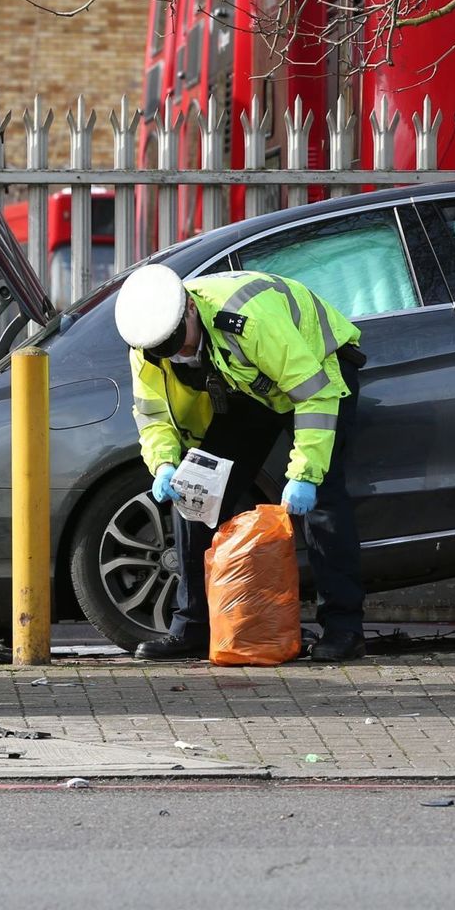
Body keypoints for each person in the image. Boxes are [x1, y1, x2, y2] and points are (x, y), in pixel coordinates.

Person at [115, 262, 368, 663]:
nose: (180, 355)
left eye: (182, 342)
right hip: (252, 385)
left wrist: (304, 473)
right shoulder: (150, 342)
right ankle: (193, 626)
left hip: (320, 372)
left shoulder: (250, 321)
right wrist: (164, 465)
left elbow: (313, 396)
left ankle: (344, 629)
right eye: (167, 351)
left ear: (191, 311)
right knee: (195, 490)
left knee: (323, 498)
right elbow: (153, 415)